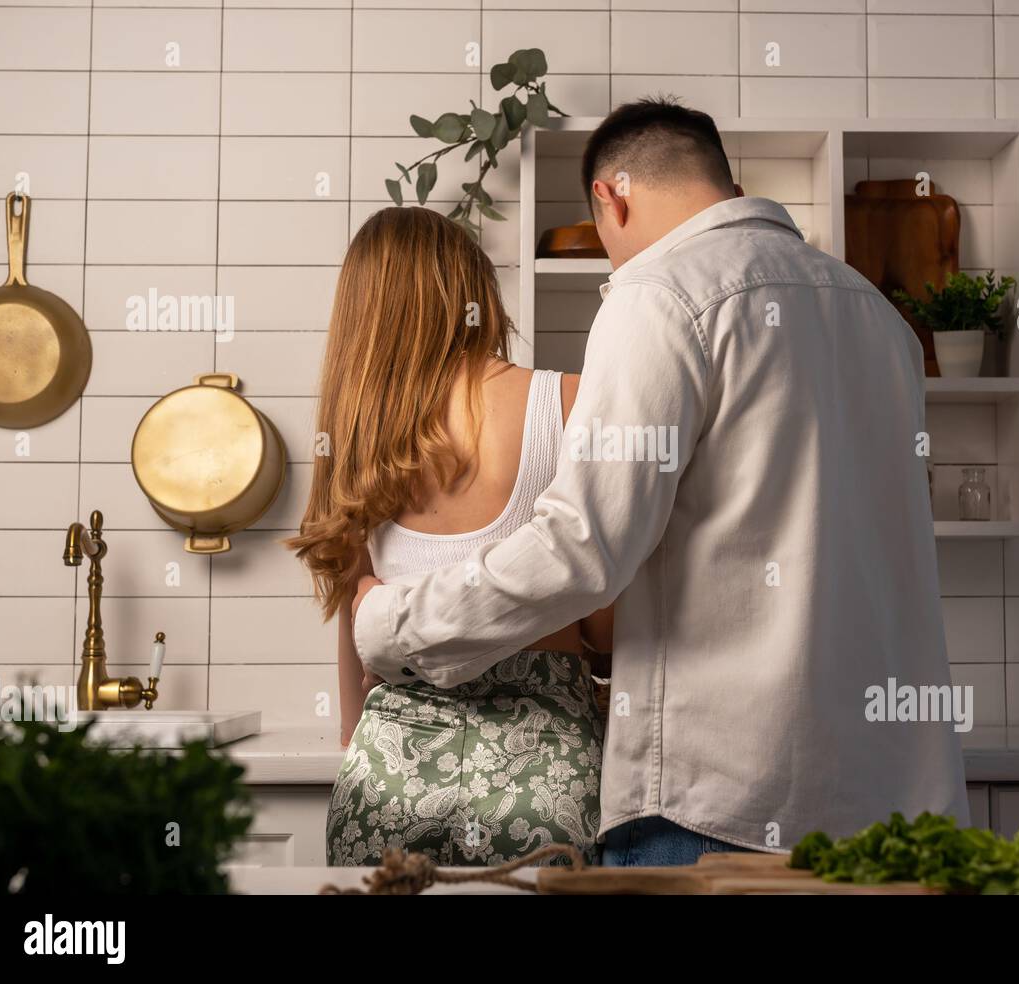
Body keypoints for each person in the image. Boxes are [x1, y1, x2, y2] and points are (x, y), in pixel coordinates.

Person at [352, 98, 969, 867]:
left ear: (612, 197)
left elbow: (584, 548)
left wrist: (394, 624)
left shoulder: (659, 295)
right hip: (895, 805)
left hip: (721, 802)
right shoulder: (880, 319)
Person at [289, 206, 611, 867]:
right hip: (545, 769)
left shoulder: (357, 438)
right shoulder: (570, 401)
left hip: (388, 777)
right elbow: (604, 616)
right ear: (475, 290)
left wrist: (358, 741)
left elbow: (355, 627)